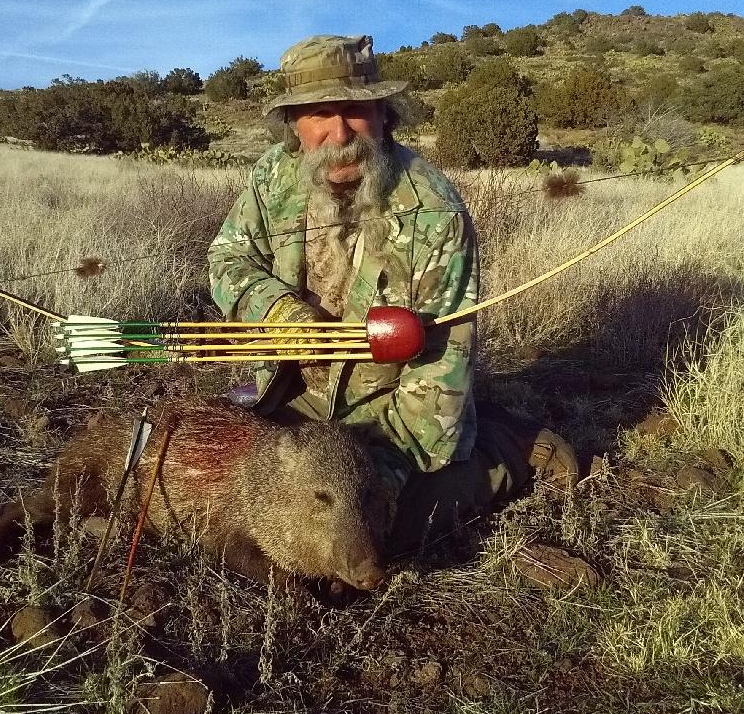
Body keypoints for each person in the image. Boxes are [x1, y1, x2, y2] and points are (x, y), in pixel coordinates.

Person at [208, 34, 577, 555]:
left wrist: (373, 481)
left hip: (393, 412)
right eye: (319, 114)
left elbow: (439, 369)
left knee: (379, 535)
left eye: (356, 111)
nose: (340, 133)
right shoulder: (273, 174)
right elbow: (227, 259)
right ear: (294, 126)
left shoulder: (434, 213)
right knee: (224, 492)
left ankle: (506, 447)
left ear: (384, 116)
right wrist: (275, 308)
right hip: (297, 395)